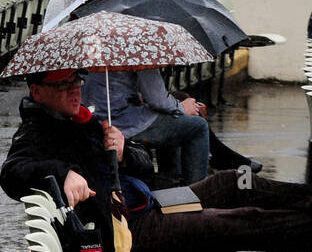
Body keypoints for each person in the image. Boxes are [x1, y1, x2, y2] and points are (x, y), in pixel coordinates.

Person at [0, 68, 312, 252]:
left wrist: (124, 151)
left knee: (231, 181)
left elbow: (144, 168)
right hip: (133, 235)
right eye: (62, 86)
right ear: (37, 92)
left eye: (77, 82)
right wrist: (63, 172)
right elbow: (13, 173)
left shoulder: (84, 121)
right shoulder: (38, 132)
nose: (75, 90)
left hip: (149, 205)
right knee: (235, 221)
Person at [81, 69, 262, 186]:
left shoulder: (96, 48)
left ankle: (171, 178)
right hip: (123, 123)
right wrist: (183, 107)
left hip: (96, 117)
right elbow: (157, 99)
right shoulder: (139, 49)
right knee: (197, 127)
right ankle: (198, 190)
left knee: (175, 106)